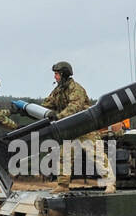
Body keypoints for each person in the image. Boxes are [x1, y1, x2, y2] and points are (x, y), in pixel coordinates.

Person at [43, 60, 114, 193]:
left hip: (85, 128)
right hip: (69, 128)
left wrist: (58, 117)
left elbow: (74, 108)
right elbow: (47, 104)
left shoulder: (76, 89)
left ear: (64, 74)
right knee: (64, 155)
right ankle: (63, 185)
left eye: (57, 74)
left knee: (96, 154)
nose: (55, 77)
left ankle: (110, 184)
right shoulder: (58, 91)